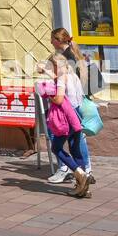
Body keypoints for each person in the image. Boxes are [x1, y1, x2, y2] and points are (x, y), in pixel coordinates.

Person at [46, 28, 95, 185]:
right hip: (77, 105)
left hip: (68, 109)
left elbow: (61, 91)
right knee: (77, 142)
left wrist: (49, 93)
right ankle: (84, 171)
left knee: (60, 141)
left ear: (58, 40)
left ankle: (68, 169)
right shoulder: (73, 55)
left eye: (52, 39)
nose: (50, 42)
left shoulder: (68, 58)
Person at [38, 57, 89, 198]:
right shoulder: (72, 76)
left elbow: (59, 99)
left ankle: (79, 172)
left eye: (51, 65)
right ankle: (83, 188)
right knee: (75, 150)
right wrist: (48, 73)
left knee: (56, 147)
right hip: (77, 116)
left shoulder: (61, 78)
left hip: (65, 118)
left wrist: (49, 96)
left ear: (56, 66)